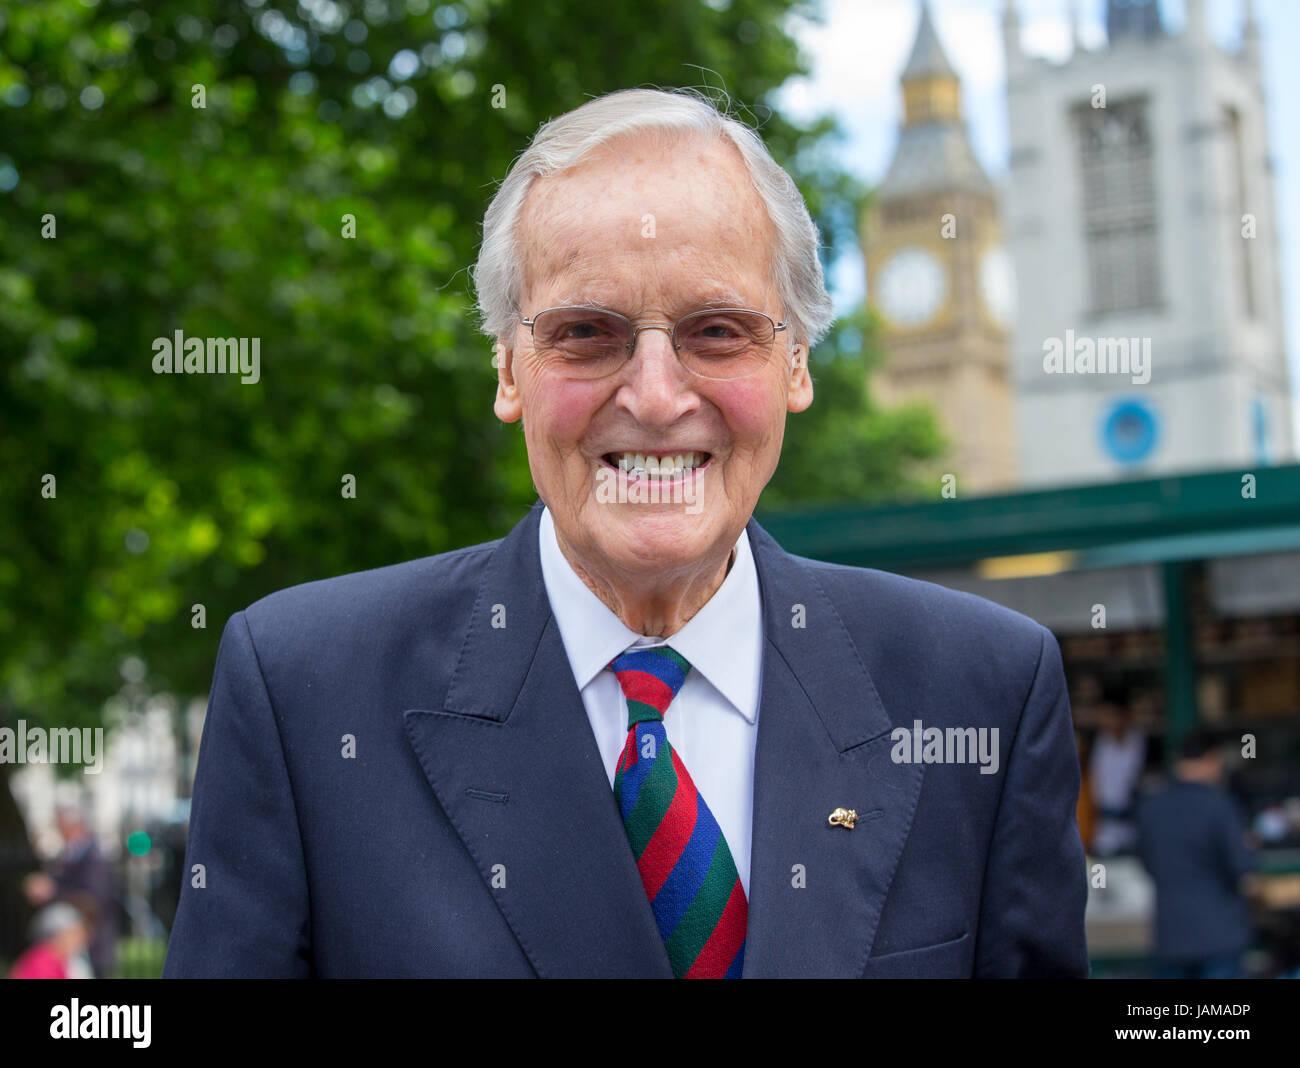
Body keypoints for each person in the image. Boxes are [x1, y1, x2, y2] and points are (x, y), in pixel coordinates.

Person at [163, 87, 1088, 978]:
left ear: (797, 363)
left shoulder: (982, 693)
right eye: (587, 333)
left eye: (718, 331)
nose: (654, 395)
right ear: (508, 368)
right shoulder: (304, 694)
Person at [1136, 729, 1256, 979]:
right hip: (1220, 934)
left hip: (1171, 934)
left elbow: (1147, 863)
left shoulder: (1151, 807)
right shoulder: (1219, 805)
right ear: (1213, 759)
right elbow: (1243, 868)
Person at [23, 802, 118, 978]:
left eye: (61, 826)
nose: (59, 832)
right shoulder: (71, 853)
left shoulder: (94, 856)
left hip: (91, 941)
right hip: (77, 937)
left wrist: (52, 891)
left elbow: (92, 896)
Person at [1089, 688, 1146, 856]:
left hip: (1135, 831)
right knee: (1100, 881)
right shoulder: (1096, 745)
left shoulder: (1142, 743)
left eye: (1110, 715)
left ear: (1124, 714)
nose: (1105, 721)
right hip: (1103, 833)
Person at [7, 902, 89, 980]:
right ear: (58, 936)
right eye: (74, 934)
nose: (80, 940)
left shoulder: (60, 962)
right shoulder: (42, 965)